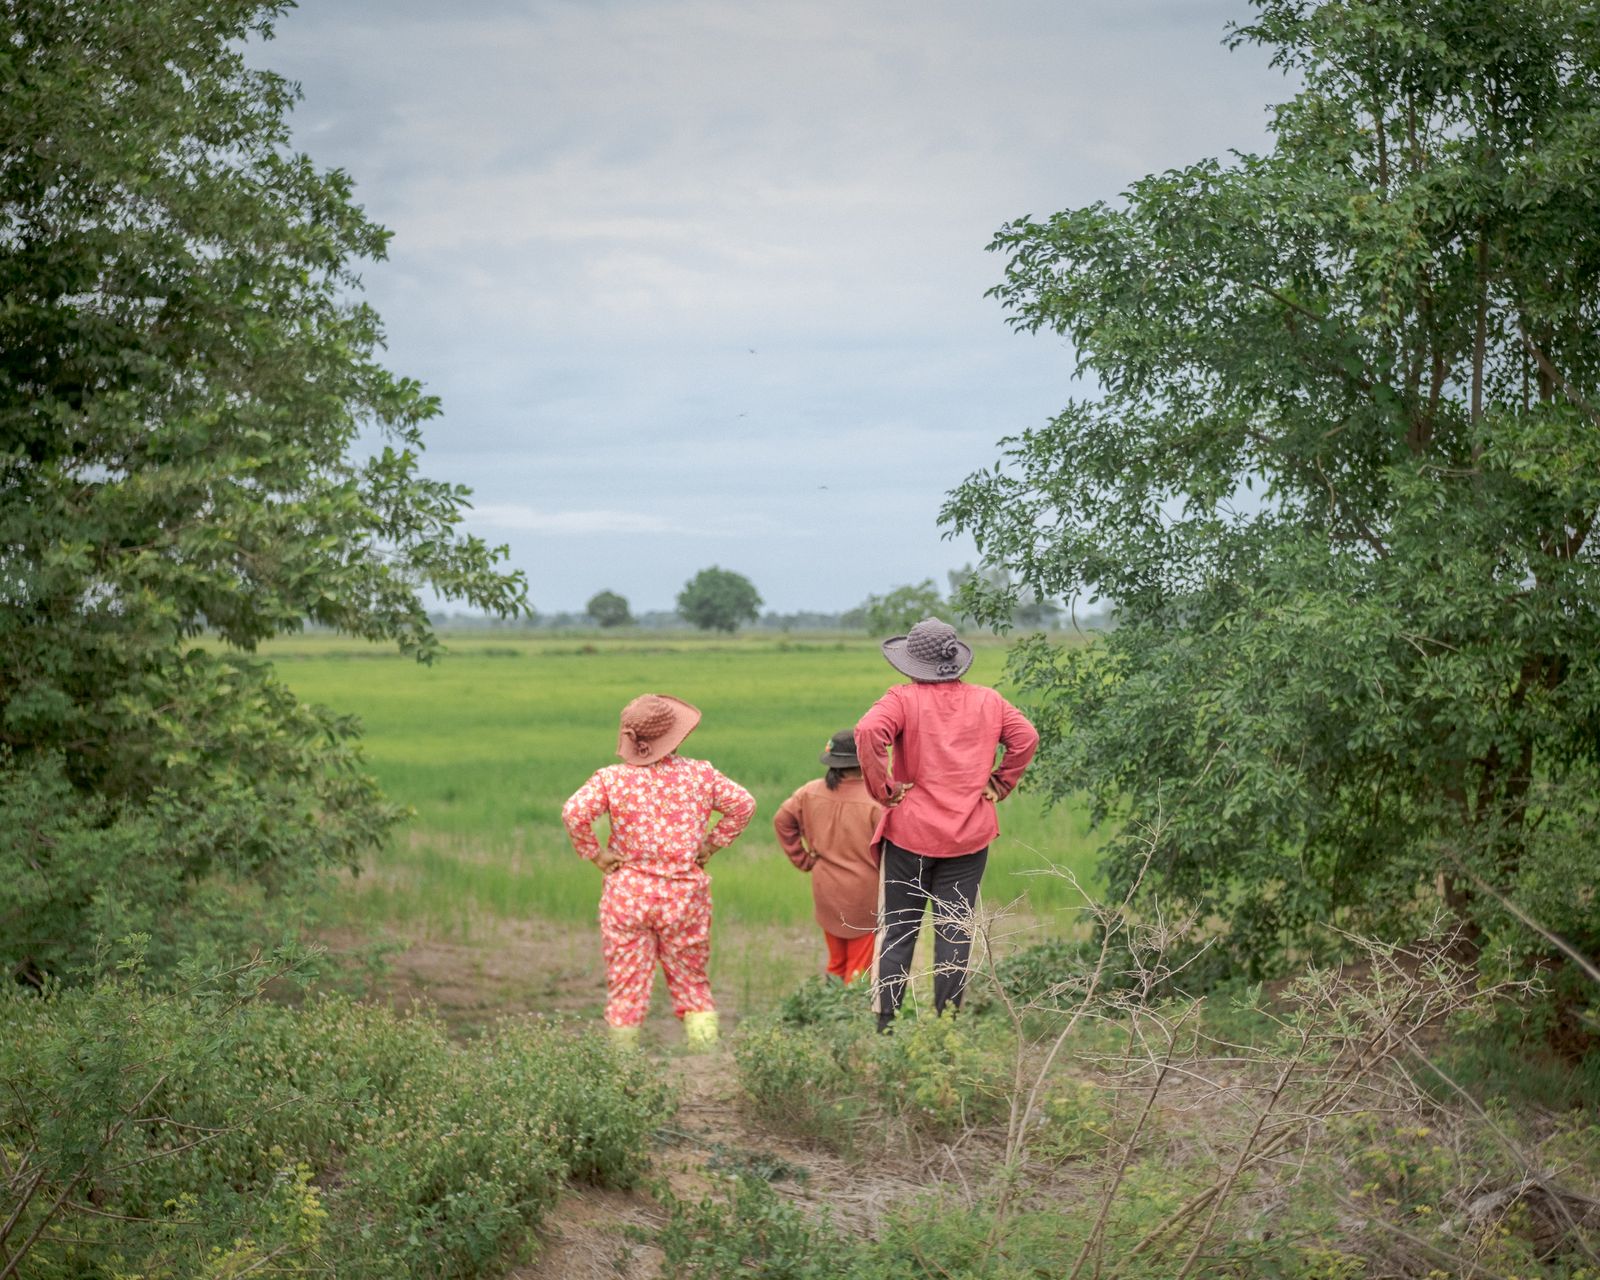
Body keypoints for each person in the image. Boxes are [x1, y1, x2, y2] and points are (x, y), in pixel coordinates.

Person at [855, 617, 1038, 1032]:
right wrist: (1000, 781)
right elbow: (1026, 737)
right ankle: (946, 1027)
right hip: (969, 837)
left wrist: (884, 790)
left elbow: (867, 731)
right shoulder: (989, 700)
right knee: (955, 932)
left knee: (898, 930)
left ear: (911, 664)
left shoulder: (901, 699)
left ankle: (887, 1026)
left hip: (908, 834)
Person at [561, 693, 755, 1050]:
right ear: (676, 737)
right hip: (684, 897)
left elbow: (574, 813)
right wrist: (711, 844)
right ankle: (706, 1066)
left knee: (627, 985)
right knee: (692, 981)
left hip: (628, 896)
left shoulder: (612, 779)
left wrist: (596, 855)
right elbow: (744, 804)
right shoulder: (701, 775)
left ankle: (623, 1065)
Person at [773, 730, 885, 983]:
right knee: (859, 968)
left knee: (836, 962)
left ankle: (827, 1008)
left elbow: (782, 820)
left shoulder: (810, 792)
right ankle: (847, 1018)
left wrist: (802, 859)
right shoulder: (876, 801)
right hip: (864, 895)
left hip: (826, 889)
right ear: (864, 761)